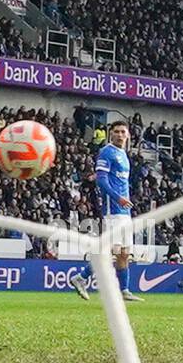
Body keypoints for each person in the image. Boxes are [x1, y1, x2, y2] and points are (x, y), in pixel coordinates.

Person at [72, 120, 142, 303]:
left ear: (128, 135)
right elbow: (101, 181)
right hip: (113, 209)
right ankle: (81, 277)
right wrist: (118, 198)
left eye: (123, 132)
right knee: (112, 250)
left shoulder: (123, 155)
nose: (120, 135)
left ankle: (124, 290)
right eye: (117, 131)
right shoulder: (107, 152)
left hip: (124, 211)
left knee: (124, 253)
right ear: (111, 134)